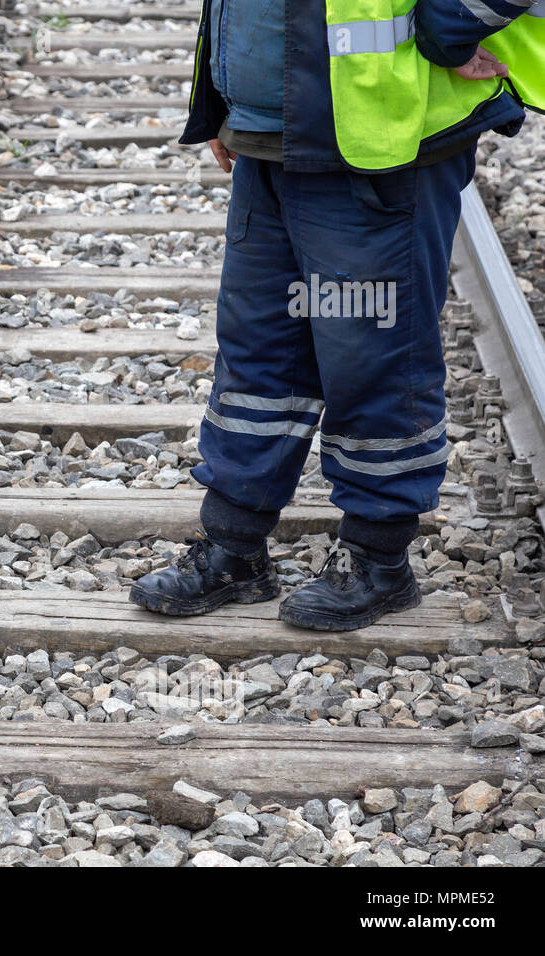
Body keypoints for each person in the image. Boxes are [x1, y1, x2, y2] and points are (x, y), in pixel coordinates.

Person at [130, 0, 543, 630]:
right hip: (272, 135)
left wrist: (451, 29)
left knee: (373, 360)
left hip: (382, 147)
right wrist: (221, 102)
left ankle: (379, 563)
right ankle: (235, 546)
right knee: (259, 349)